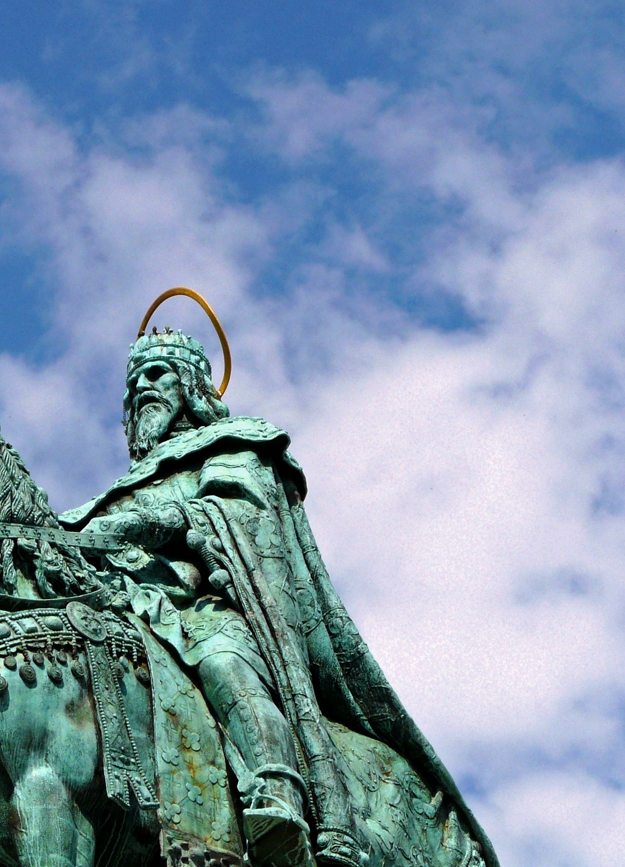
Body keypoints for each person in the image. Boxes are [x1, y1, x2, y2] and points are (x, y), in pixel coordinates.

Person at [61, 329, 497, 867]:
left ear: (193, 385)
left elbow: (237, 518)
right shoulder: (116, 491)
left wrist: (151, 525)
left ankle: (278, 791)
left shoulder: (234, 446)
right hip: (127, 607)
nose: (142, 389)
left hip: (210, 609)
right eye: (133, 385)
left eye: (157, 374)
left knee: (224, 661)